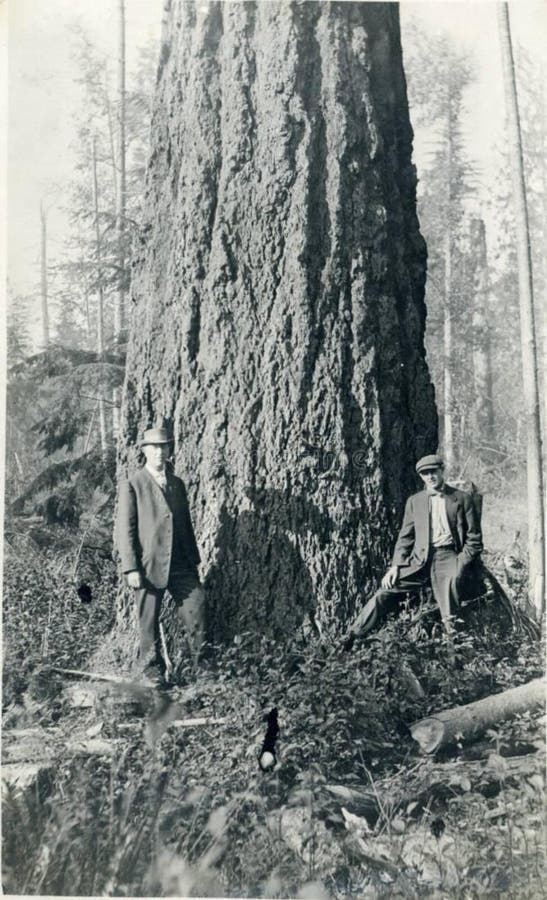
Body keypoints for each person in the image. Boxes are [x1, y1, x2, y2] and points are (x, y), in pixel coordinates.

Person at [344, 454, 483, 648]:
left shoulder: (461, 499)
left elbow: (474, 539)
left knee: (449, 607)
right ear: (421, 477)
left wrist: (460, 564)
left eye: (433, 471)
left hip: (448, 557)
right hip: (419, 560)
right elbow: (405, 536)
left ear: (442, 470)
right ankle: (351, 636)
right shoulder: (415, 501)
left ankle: (455, 657)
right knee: (385, 591)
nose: (430, 476)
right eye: (425, 474)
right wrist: (395, 566)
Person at [115, 426, 205, 683]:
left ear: (169, 450)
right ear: (144, 450)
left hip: (180, 564)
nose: (159, 452)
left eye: (163, 447)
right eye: (153, 447)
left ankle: (199, 670)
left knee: (197, 607)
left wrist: (193, 561)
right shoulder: (133, 484)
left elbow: (185, 524)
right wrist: (131, 568)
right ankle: (152, 673)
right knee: (148, 623)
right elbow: (126, 529)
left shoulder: (177, 484)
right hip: (148, 565)